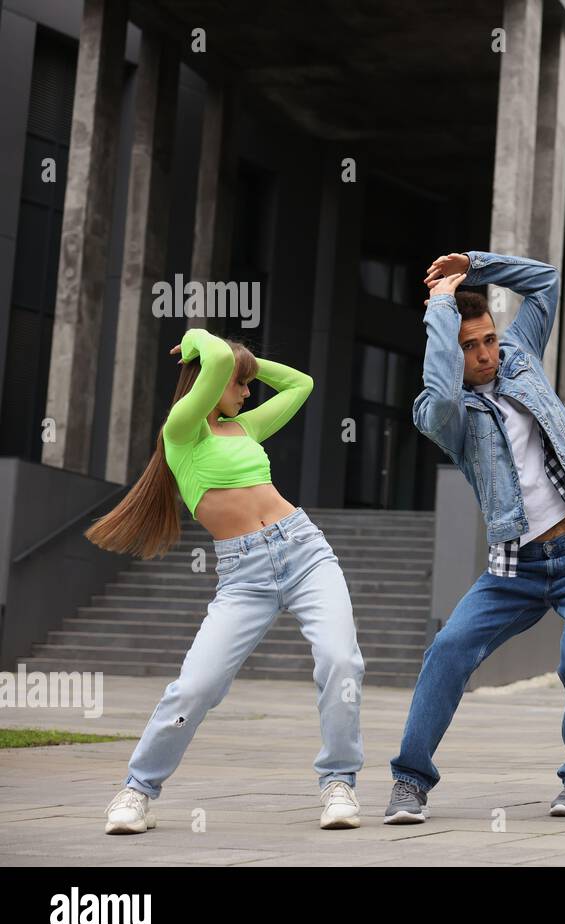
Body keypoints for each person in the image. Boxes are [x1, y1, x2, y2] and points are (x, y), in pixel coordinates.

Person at [87, 328, 365, 835]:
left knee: (342, 661)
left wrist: (247, 361)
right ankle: (137, 789)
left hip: (305, 553)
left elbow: (301, 384)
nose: (247, 391)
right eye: (240, 382)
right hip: (244, 577)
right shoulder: (182, 430)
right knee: (196, 686)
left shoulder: (245, 429)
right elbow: (214, 358)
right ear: (210, 382)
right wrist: (197, 338)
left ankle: (338, 782)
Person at [386, 251, 565, 823]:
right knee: (448, 651)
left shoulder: (520, 357)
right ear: (449, 350)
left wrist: (475, 266)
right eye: (470, 347)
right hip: (514, 568)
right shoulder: (445, 414)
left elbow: (546, 282)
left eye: (488, 339)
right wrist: (442, 305)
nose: (487, 354)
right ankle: (410, 781)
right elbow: (441, 393)